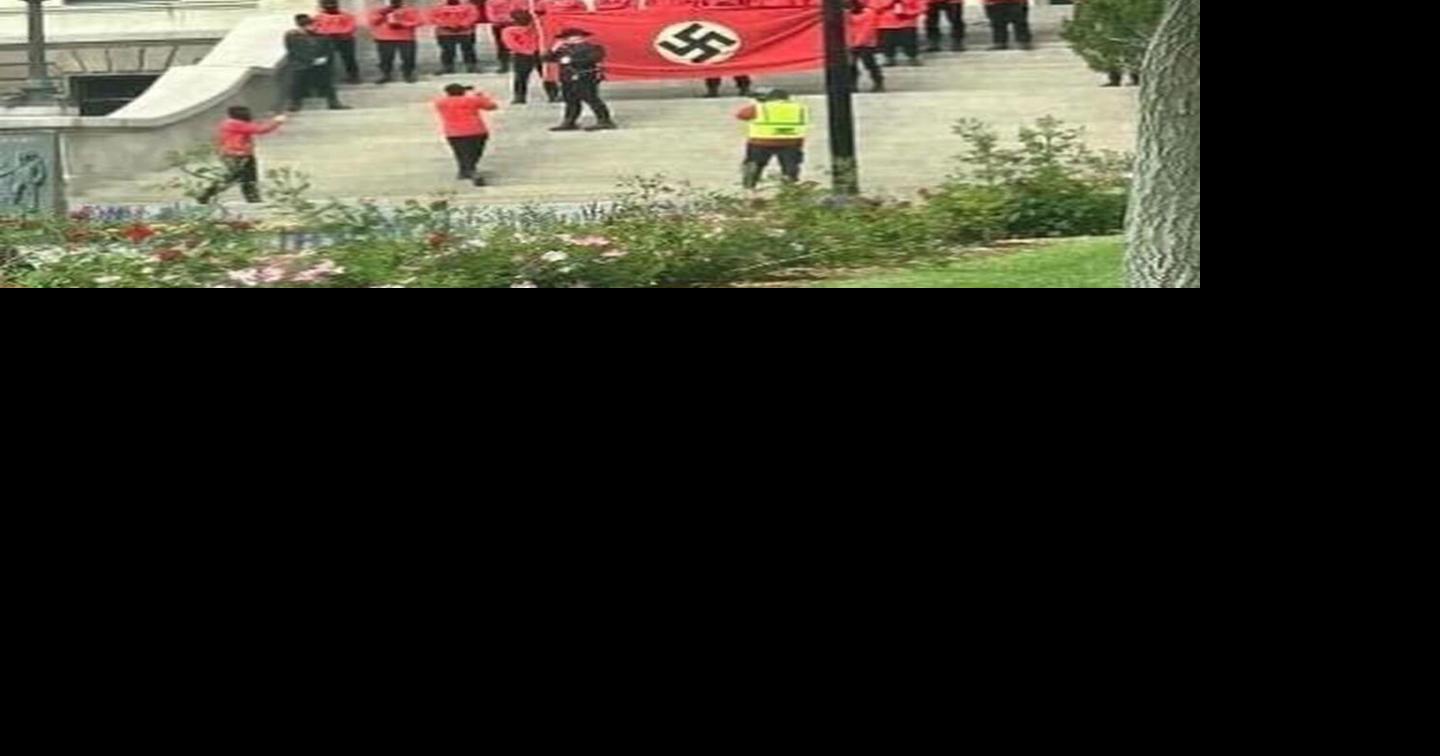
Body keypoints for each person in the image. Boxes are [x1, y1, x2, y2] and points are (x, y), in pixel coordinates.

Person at [198, 107, 288, 204]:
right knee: (232, 178)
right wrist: (276, 121)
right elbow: (261, 129)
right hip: (237, 156)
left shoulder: (229, 123)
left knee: (248, 179)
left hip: (240, 155)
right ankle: (205, 195)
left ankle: (253, 199)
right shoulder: (234, 124)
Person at [546, 28, 617, 131]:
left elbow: (594, 58)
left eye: (569, 38)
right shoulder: (562, 49)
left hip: (585, 77)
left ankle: (605, 120)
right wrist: (553, 49)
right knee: (571, 100)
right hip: (567, 78)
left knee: (591, 99)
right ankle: (569, 121)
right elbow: (546, 58)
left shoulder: (592, 48)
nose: (566, 40)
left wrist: (572, 60)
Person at [736, 89, 809, 189]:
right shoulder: (800, 108)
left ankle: (749, 187)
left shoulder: (761, 107)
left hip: (761, 141)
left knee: (754, 165)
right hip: (791, 142)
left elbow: (741, 115)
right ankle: (790, 187)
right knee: (790, 167)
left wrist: (758, 103)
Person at [434, 83, 500, 186]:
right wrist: (478, 95)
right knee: (475, 152)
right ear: (463, 92)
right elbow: (492, 106)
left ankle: (465, 170)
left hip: (453, 132)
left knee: (461, 153)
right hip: (476, 130)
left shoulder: (441, 103)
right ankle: (471, 171)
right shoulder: (472, 100)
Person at [284, 15, 350, 112]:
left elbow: (328, 49)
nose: (314, 27)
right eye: (311, 25)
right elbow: (293, 51)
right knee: (297, 84)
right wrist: (311, 60)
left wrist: (324, 59)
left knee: (327, 83)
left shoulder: (321, 35)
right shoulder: (292, 36)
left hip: (319, 63)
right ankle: (295, 104)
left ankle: (333, 102)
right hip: (301, 64)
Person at [502, 10, 560, 104]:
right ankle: (521, 96)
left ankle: (521, 97)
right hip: (528, 54)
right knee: (526, 76)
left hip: (530, 53)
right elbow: (512, 44)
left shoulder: (537, 28)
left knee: (543, 75)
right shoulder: (511, 30)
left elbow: (511, 45)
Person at [369, 0, 425, 84]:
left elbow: (419, 22)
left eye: (397, 1)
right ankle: (385, 75)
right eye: (392, 1)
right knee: (385, 58)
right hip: (385, 38)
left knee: (408, 58)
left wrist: (402, 24)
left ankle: (408, 75)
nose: (395, 3)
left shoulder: (410, 10)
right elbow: (372, 22)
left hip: (406, 38)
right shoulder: (379, 10)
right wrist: (383, 14)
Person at [313, 0, 361, 84]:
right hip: (327, 41)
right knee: (325, 59)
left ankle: (354, 76)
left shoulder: (346, 16)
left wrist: (332, 32)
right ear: (323, 6)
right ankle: (324, 78)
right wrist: (336, 32)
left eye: (332, 4)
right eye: (327, 4)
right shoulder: (318, 17)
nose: (330, 6)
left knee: (349, 59)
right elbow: (315, 29)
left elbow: (352, 27)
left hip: (345, 40)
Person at [430, 0, 483, 74]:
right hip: (445, 32)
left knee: (468, 49)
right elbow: (433, 17)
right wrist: (447, 25)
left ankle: (471, 66)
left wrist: (462, 24)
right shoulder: (438, 6)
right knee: (447, 50)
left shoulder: (468, 5)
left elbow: (473, 16)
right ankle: (447, 67)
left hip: (465, 31)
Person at [874, 0, 924, 67]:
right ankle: (889, 58)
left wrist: (910, 11)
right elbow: (873, 5)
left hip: (907, 21)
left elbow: (922, 5)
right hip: (886, 22)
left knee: (909, 41)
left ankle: (912, 57)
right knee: (887, 42)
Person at [849, 0, 884, 92]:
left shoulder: (869, 13)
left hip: (866, 43)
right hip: (851, 43)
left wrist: (857, 43)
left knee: (869, 63)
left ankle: (878, 82)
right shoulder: (846, 14)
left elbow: (867, 31)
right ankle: (852, 85)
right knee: (851, 65)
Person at [485, 0, 516, 75]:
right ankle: (504, 65)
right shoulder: (490, 2)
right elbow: (490, 14)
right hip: (499, 25)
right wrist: (500, 20)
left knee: (516, 45)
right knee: (501, 46)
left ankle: (519, 65)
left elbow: (519, 10)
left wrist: (512, 20)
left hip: (514, 24)